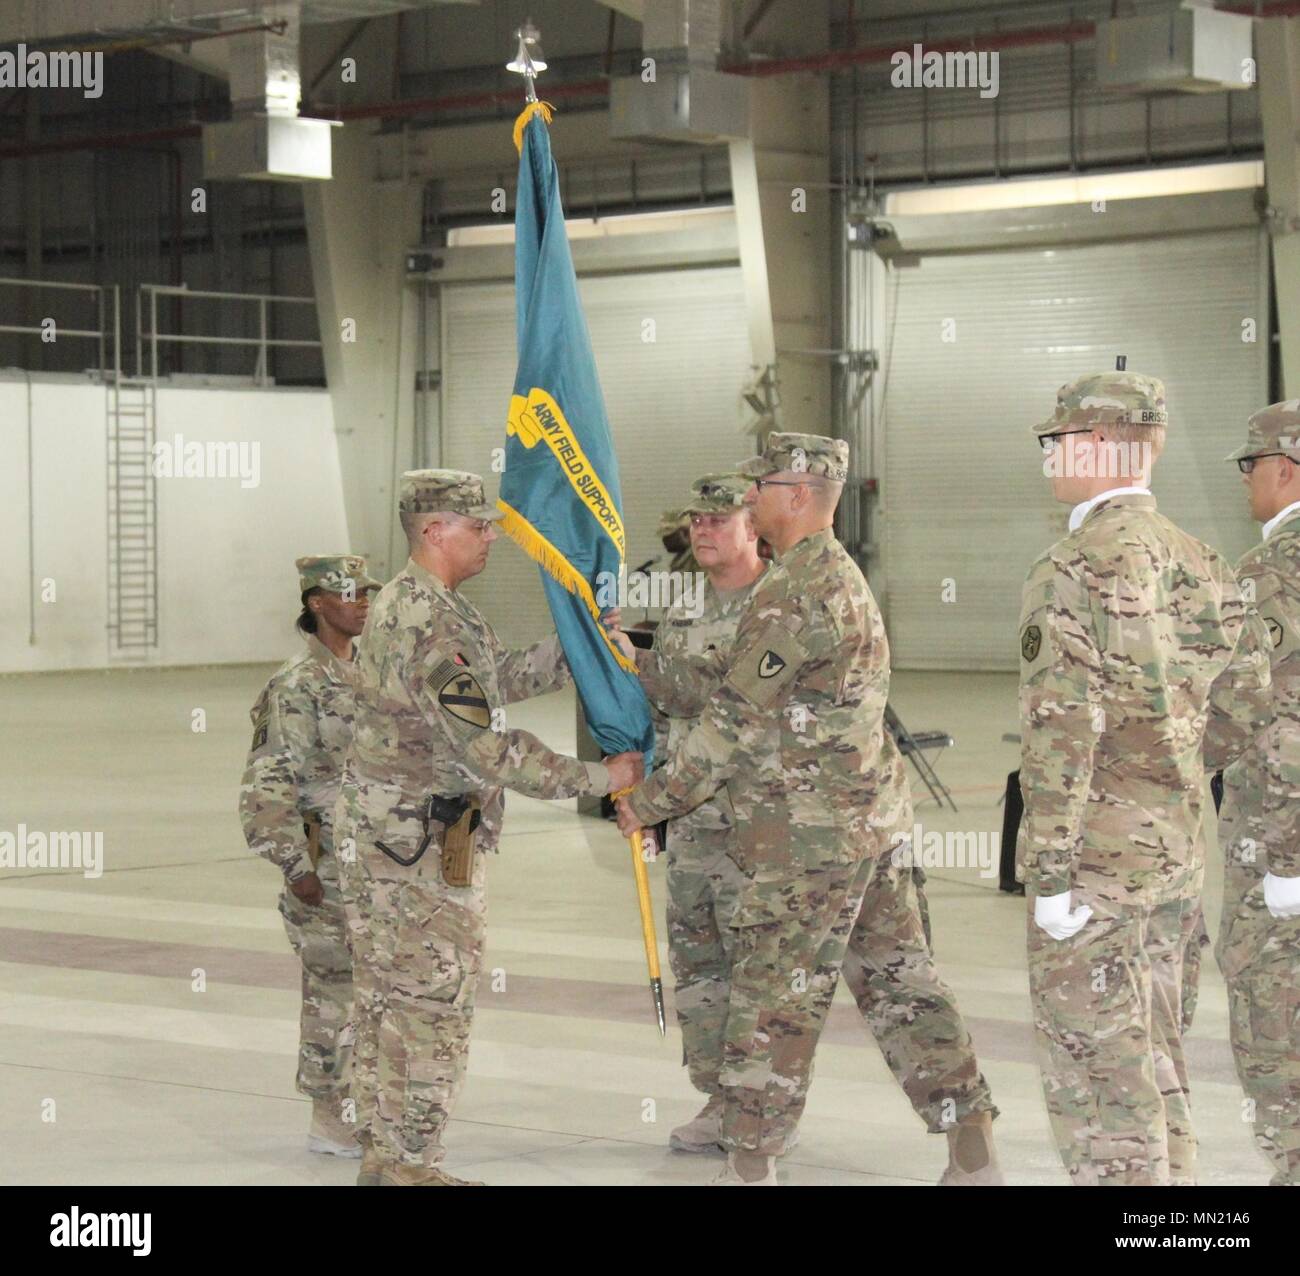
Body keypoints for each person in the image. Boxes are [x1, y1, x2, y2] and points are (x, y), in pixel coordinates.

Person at [646, 473, 1002, 1184]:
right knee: (903, 981)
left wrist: (653, 798)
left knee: (773, 995)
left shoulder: (795, 588)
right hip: (868, 826)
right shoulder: (835, 574)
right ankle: (972, 1143)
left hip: (808, 837)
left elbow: (733, 717)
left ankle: (750, 1162)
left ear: (796, 494)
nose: (747, 505)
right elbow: (709, 684)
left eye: (760, 490)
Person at [616, 433, 910, 1186]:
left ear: (756, 522)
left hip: (769, 823)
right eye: (698, 520)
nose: (707, 529)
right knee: (705, 967)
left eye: (724, 515)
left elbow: (735, 717)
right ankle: (725, 1102)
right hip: (699, 820)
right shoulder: (680, 608)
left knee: (764, 980)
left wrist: (648, 802)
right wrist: (634, 667)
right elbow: (683, 694)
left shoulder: (781, 600)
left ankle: (759, 1129)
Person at [335, 469, 642, 1187]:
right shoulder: (431, 619)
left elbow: (492, 679)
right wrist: (604, 778)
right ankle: (413, 1166)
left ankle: (385, 1156)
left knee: (386, 1000)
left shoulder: (411, 603)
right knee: (432, 1007)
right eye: (479, 526)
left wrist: (579, 649)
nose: (494, 537)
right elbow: (491, 749)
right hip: (419, 853)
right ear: (435, 529)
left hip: (389, 841)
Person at [1018, 370, 1270, 1186]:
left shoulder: (1074, 565)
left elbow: (1061, 730)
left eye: (1054, 441)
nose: (1047, 456)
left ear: (1095, 446)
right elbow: (1250, 700)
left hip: (1095, 865)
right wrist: (1173, 763)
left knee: (1100, 1083)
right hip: (1173, 855)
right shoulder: (1203, 561)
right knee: (1158, 1057)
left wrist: (1049, 871)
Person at [240, 553, 380, 1157]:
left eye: (367, 592)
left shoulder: (373, 672)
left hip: (376, 861)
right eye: (348, 594)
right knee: (333, 988)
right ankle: (330, 1114)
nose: (363, 603)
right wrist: (296, 868)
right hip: (324, 866)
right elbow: (267, 784)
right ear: (317, 603)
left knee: (373, 988)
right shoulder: (297, 684)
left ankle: (363, 1101)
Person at [1217, 401, 1300, 1185]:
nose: (1246, 481)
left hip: (1280, 839)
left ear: (1284, 467)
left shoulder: (1271, 575)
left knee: (1271, 1005)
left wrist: (1285, 861)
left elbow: (1270, 722)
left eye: (1251, 465)